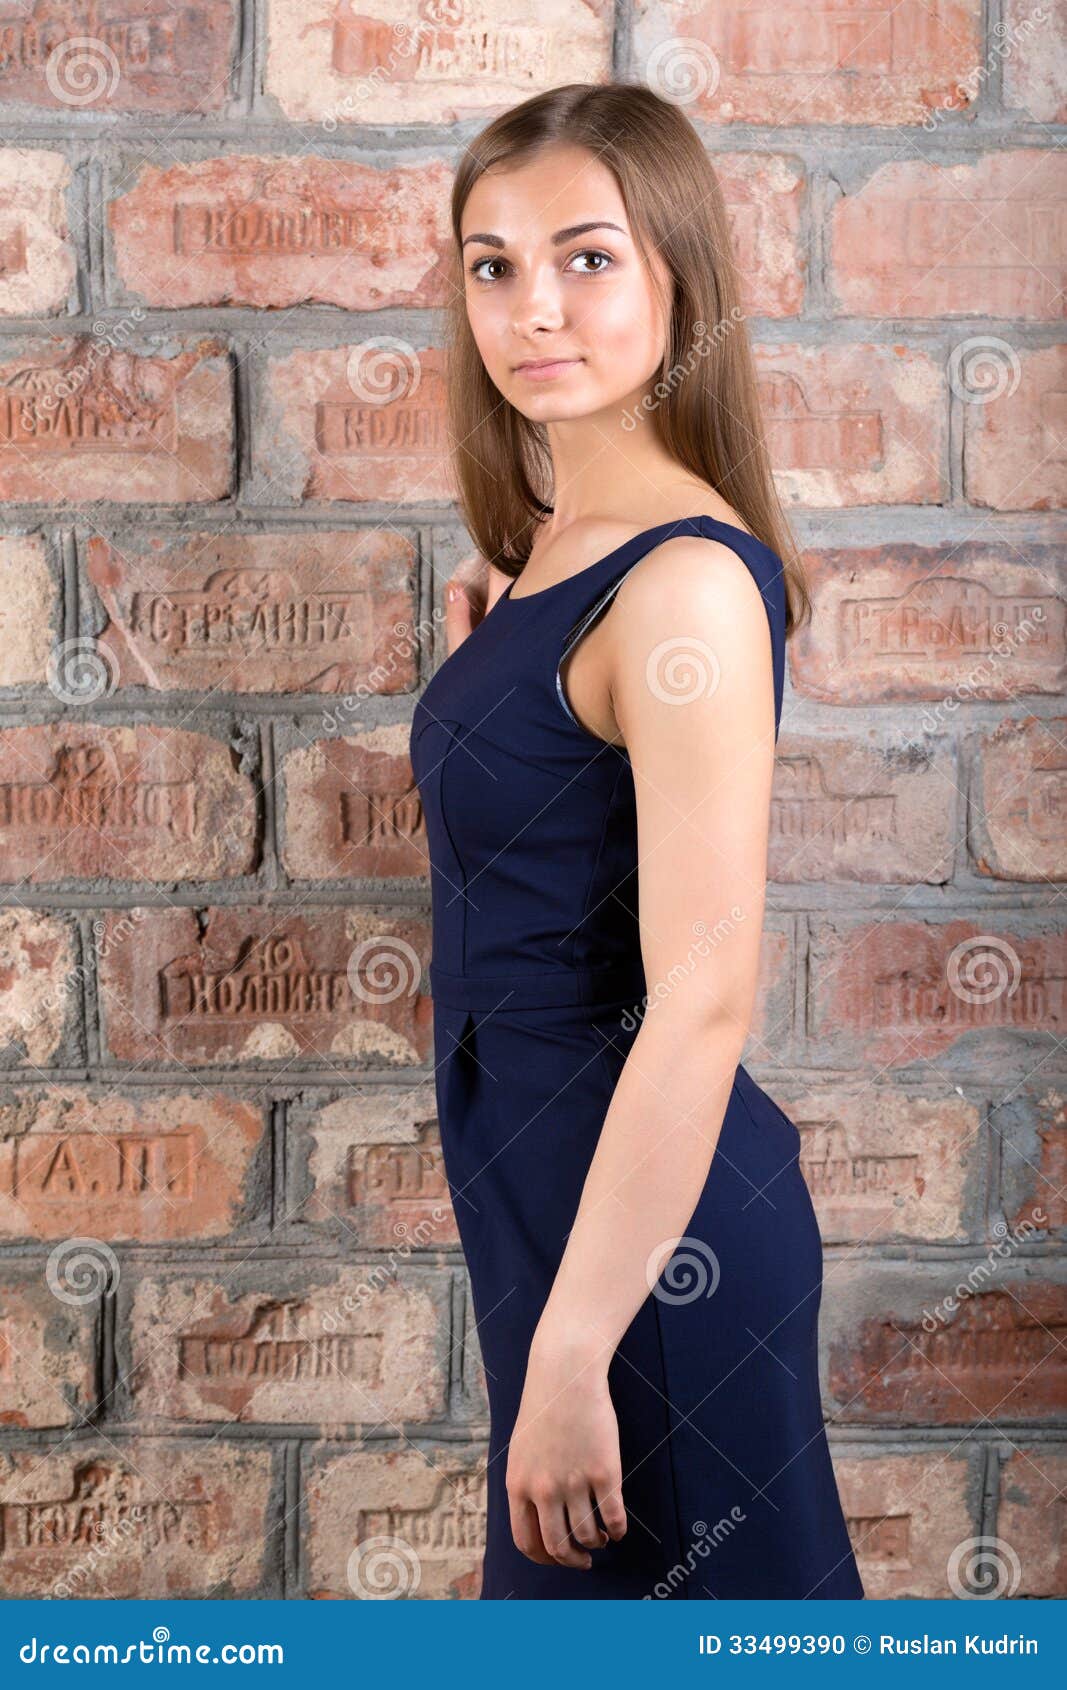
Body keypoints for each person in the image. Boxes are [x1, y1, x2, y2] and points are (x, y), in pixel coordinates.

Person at [409, 80, 864, 1601]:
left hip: (654, 1270)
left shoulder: (678, 594)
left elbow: (706, 1000)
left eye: (588, 257)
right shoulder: (563, 554)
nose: (534, 306)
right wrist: (485, 666)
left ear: (678, 271)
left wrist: (577, 1347)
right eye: (493, 263)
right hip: (557, 1218)